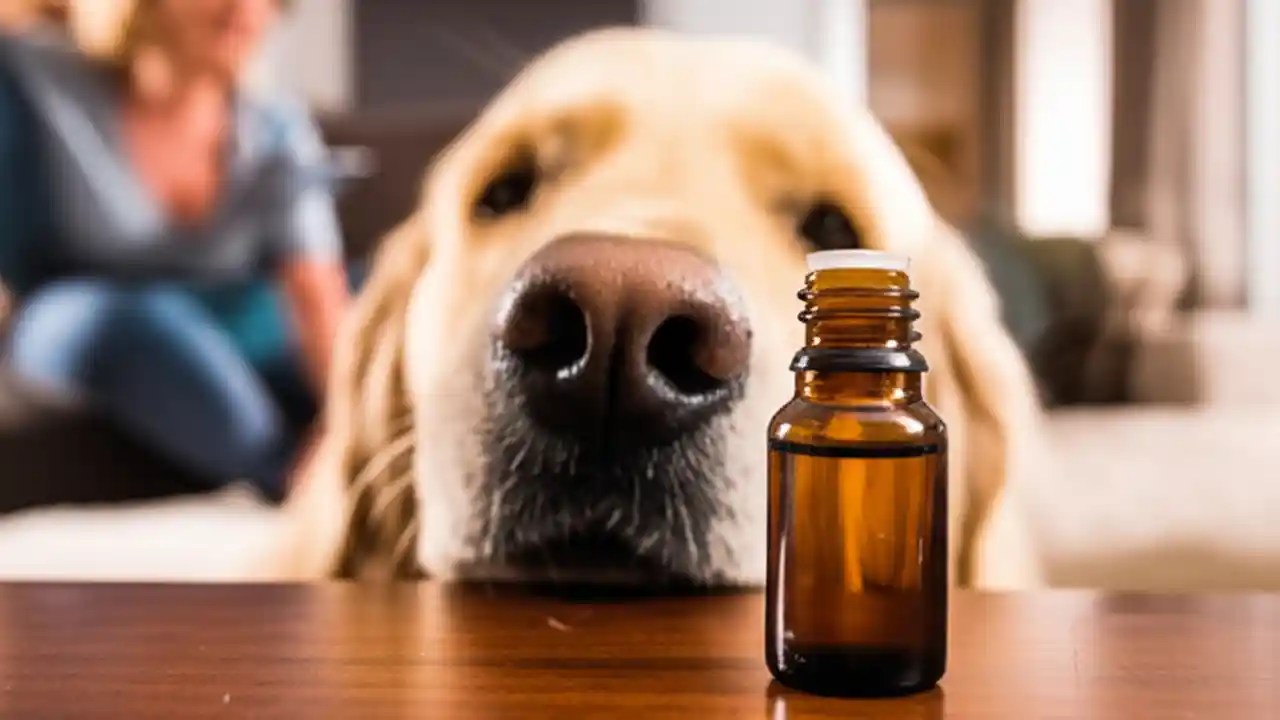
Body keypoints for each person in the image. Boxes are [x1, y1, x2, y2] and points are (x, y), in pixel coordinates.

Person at [0, 0, 348, 502]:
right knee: (123, 319)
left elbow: (316, 289)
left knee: (373, 293)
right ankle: (282, 478)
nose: (246, 11)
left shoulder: (276, 124)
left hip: (228, 322)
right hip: (85, 316)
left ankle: (341, 469)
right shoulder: (48, 79)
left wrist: (344, 423)